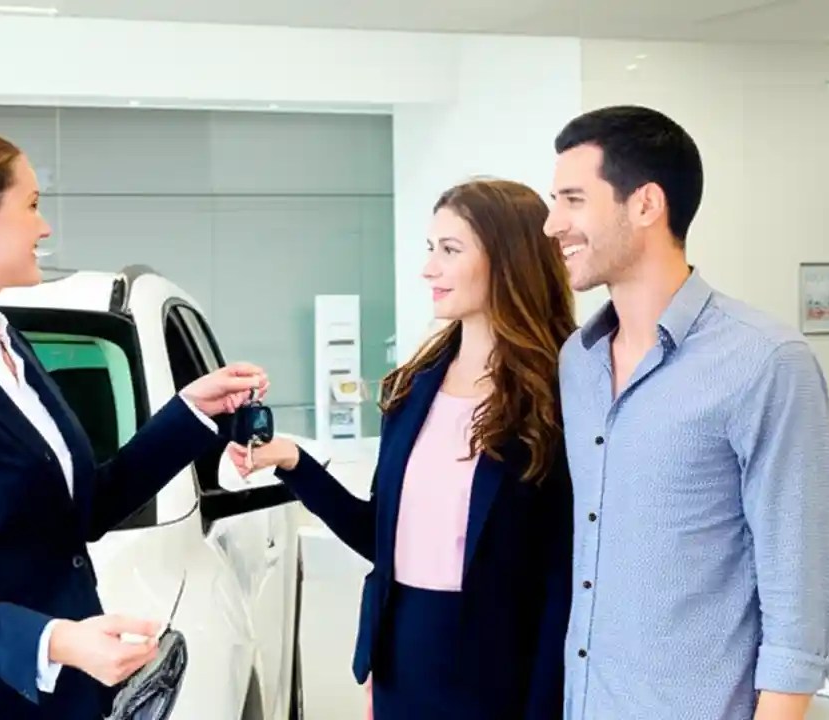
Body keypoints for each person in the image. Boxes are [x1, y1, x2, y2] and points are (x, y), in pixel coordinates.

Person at [0, 127, 268, 720]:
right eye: (33, 205)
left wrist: (191, 410)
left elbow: (82, 509)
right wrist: (56, 641)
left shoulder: (7, 345)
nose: (44, 228)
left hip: (66, 694)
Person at [227, 178, 577, 719]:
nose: (428, 269)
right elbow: (382, 539)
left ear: (508, 260)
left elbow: (563, 576)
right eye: (430, 249)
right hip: (403, 655)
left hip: (502, 672)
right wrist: (292, 462)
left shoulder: (558, 393)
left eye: (450, 250)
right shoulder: (412, 389)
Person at [544, 105, 829, 720]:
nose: (552, 224)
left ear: (646, 204)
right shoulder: (578, 361)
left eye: (573, 199)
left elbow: (798, 589)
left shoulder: (765, 361)